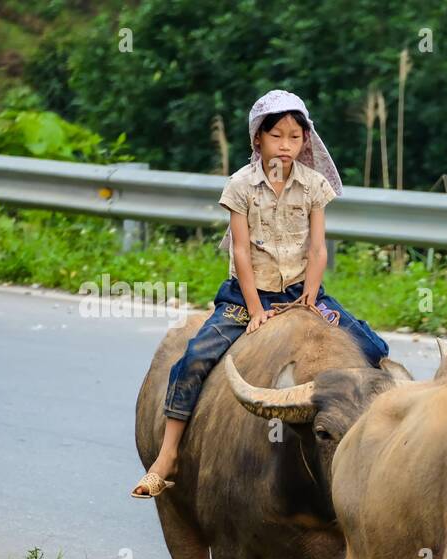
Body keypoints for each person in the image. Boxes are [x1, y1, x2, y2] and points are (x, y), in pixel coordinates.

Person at [130, 89, 389, 498]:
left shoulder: (314, 185)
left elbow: (319, 248)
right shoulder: (241, 186)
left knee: (373, 346)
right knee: (195, 358)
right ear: (257, 140)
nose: (285, 146)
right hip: (246, 298)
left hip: (304, 294)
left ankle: (376, 448)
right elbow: (241, 251)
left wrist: (311, 295)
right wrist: (253, 309)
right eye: (276, 136)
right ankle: (168, 453)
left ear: (306, 141)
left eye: (294, 136)